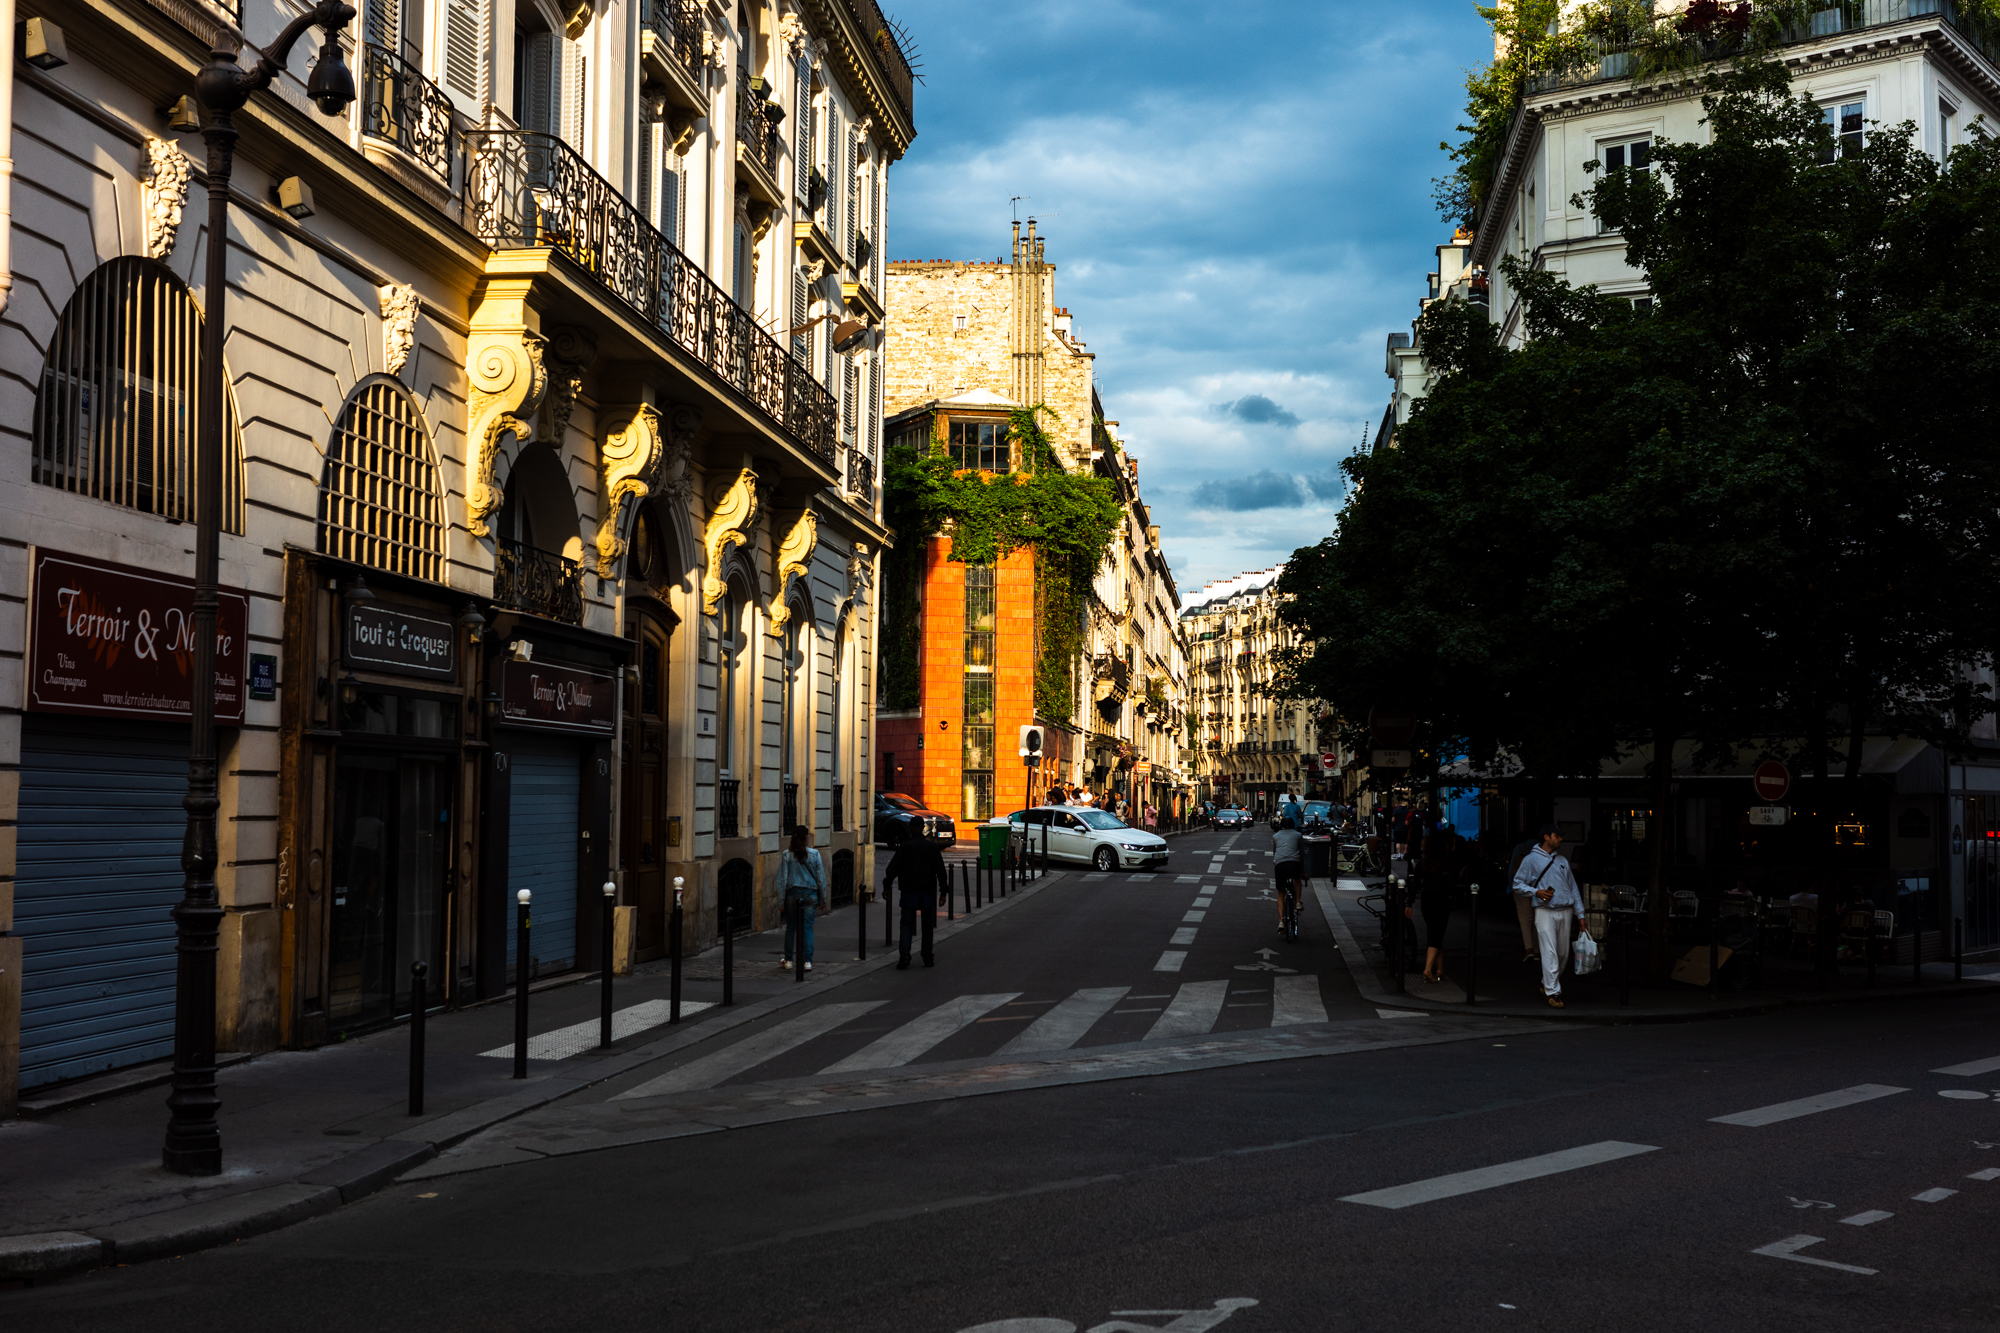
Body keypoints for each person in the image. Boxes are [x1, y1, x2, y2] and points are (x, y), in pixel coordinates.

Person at [1514, 822, 1585, 1007]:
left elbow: (1572, 888)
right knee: (1550, 951)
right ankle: (1553, 992)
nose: (1560, 839)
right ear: (1546, 837)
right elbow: (1517, 884)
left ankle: (1547, 984)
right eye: (1557, 835)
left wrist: (1580, 914)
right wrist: (1535, 892)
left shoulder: (1562, 861)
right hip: (1544, 911)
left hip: (1565, 910)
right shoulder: (1531, 860)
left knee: (1562, 954)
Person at [882, 820, 948, 968]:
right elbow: (940, 871)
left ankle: (905, 957)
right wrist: (943, 891)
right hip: (927, 891)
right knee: (927, 926)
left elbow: (892, 868)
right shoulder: (932, 847)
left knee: (906, 925)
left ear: (912, 829)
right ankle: (927, 956)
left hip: (909, 891)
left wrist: (887, 886)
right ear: (922, 829)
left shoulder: (905, 847)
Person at [778, 824, 826, 971]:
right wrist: (823, 899)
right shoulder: (815, 854)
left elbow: (782, 880)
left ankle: (788, 960)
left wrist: (781, 900)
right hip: (810, 894)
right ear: (806, 838)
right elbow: (820, 879)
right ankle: (807, 962)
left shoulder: (787, 854)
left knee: (791, 927)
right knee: (807, 928)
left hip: (793, 893)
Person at [1418, 838, 1454, 983]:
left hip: (1426, 900)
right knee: (1438, 934)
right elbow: (1451, 883)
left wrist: (1408, 903)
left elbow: (1415, 884)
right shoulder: (1445, 864)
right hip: (1442, 900)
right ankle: (1428, 969)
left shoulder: (1422, 863)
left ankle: (1440, 970)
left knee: (1434, 932)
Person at [1272, 816, 1304, 936]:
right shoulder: (1298, 835)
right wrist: (1303, 871)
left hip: (1280, 865)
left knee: (1281, 893)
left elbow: (1275, 853)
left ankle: (1281, 921)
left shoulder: (1275, 836)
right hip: (1294, 862)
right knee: (1297, 879)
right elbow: (1301, 854)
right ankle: (1298, 902)